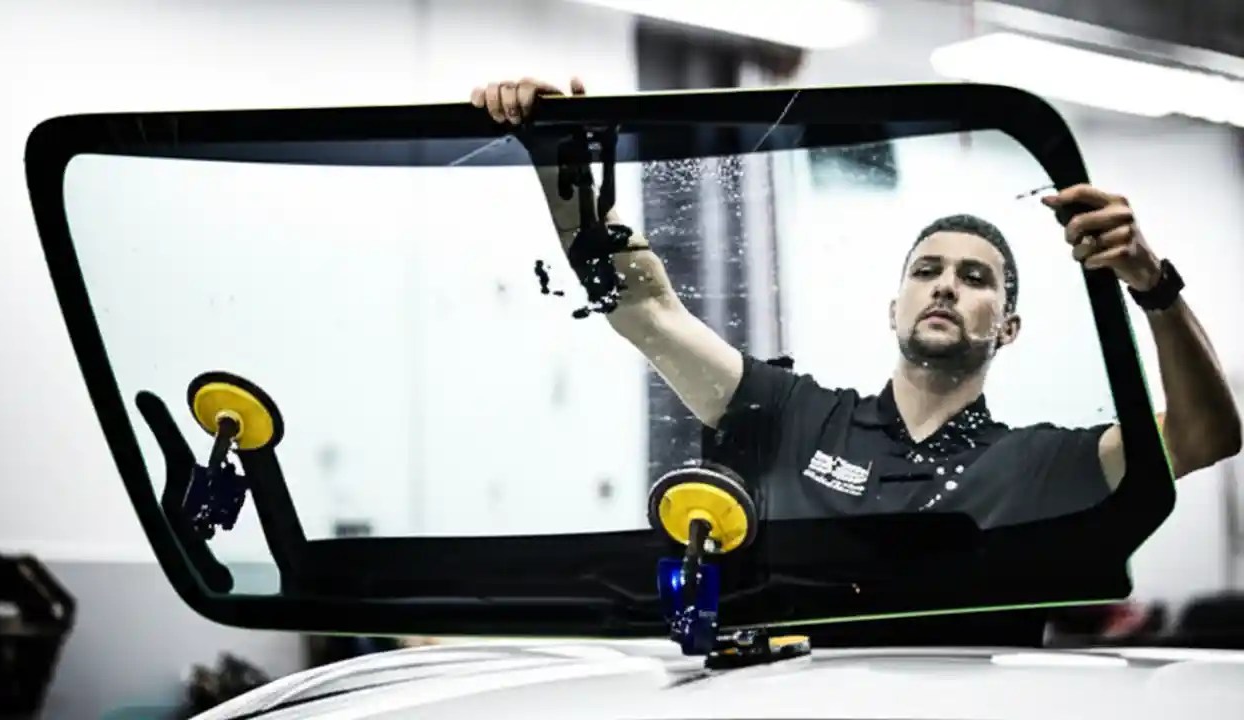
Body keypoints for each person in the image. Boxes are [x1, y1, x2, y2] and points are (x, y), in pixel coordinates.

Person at [469, 77, 1242, 530]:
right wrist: (557, 152)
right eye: (927, 270)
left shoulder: (1042, 463)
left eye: (976, 279)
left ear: (1008, 328)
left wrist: (1152, 282)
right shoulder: (795, 416)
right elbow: (646, 309)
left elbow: (1208, 434)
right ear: (893, 308)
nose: (946, 285)